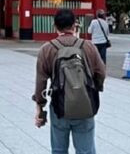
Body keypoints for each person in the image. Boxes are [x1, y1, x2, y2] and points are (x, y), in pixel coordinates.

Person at [33, 9, 105, 154]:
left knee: (59, 150)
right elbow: (101, 73)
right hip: (84, 106)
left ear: (55, 26)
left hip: (59, 107)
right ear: (75, 25)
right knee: (85, 150)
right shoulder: (88, 46)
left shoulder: (47, 49)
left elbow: (41, 82)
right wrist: (93, 89)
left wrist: (40, 108)